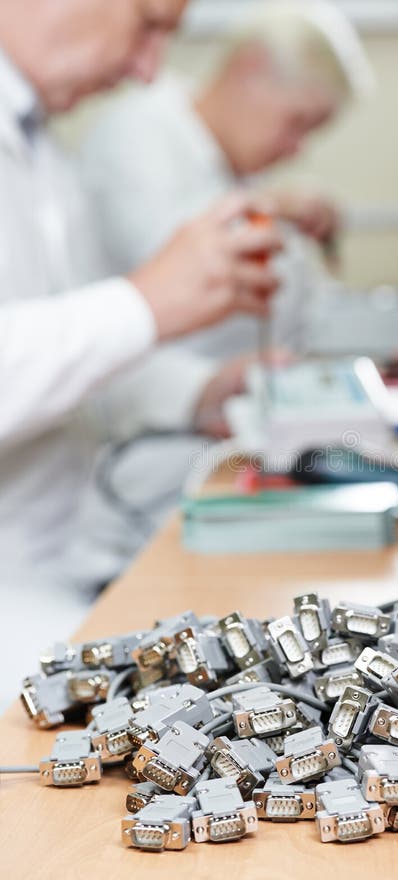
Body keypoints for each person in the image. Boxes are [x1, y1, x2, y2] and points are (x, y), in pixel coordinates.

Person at [0, 0, 284, 710]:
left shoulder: (42, 153)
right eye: (148, 23)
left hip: (68, 553)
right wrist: (145, 303)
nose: (150, 69)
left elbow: (78, 365)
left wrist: (204, 389)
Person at [81, 0, 374, 360]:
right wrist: (270, 207)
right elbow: (170, 273)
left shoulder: (238, 167)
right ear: (250, 68)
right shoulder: (136, 134)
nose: (297, 149)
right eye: (297, 122)